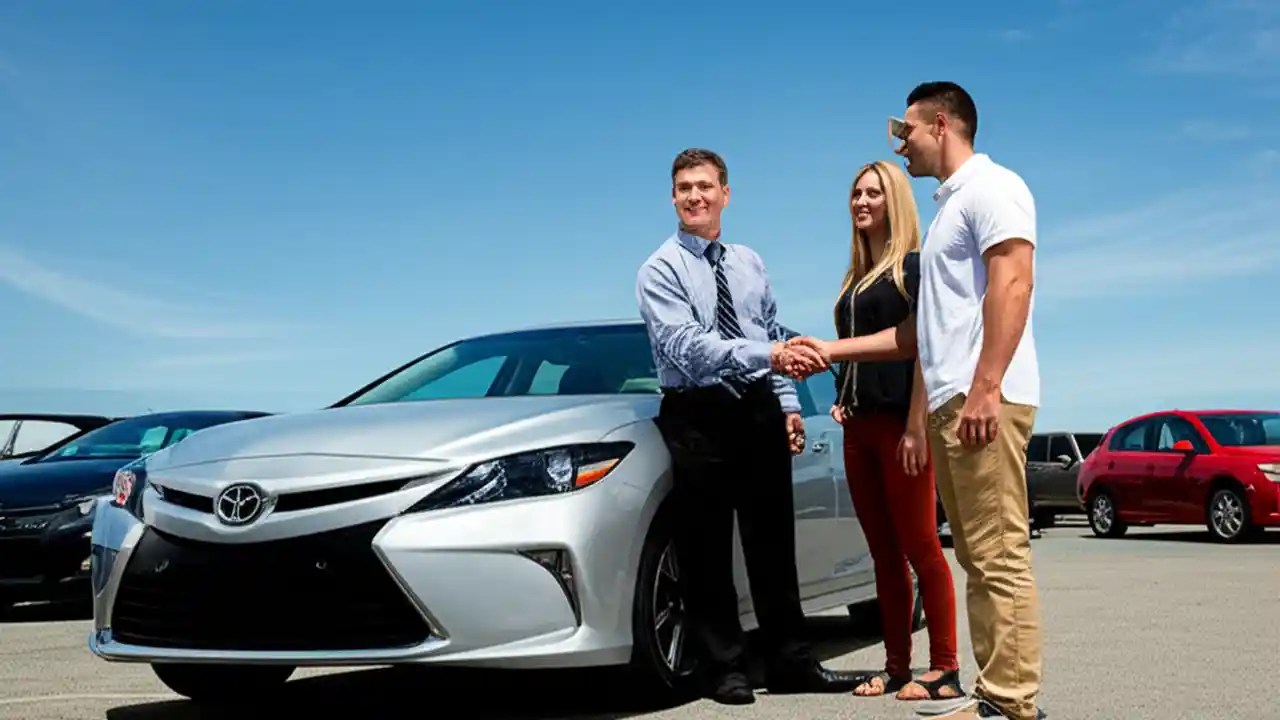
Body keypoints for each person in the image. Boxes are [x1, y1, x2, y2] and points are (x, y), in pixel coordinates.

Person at [783, 82, 1046, 719]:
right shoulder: (949, 207)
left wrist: (986, 388)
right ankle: (995, 696)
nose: (900, 145)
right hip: (953, 403)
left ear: (941, 123)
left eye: (906, 132)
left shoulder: (992, 187)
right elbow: (922, 333)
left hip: (984, 401)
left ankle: (1012, 702)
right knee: (979, 558)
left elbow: (1013, 281)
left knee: (999, 554)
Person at [635, 147, 859, 706]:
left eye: (705, 186)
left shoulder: (749, 262)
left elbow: (768, 328)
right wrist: (772, 358)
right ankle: (725, 670)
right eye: (685, 187)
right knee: (706, 550)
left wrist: (786, 403)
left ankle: (791, 662)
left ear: (725, 194)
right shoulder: (660, 269)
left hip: (757, 410)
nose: (695, 196)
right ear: (672, 197)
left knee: (772, 544)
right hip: (697, 415)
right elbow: (687, 347)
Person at [831, 160, 962, 704]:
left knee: (922, 547)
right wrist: (843, 398)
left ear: (895, 201)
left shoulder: (912, 266)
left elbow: (924, 350)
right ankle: (897, 667)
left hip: (901, 429)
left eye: (873, 194)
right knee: (882, 553)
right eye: (856, 194)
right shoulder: (855, 276)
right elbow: (859, 351)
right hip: (858, 428)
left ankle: (946, 667)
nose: (862, 202)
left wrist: (915, 426)